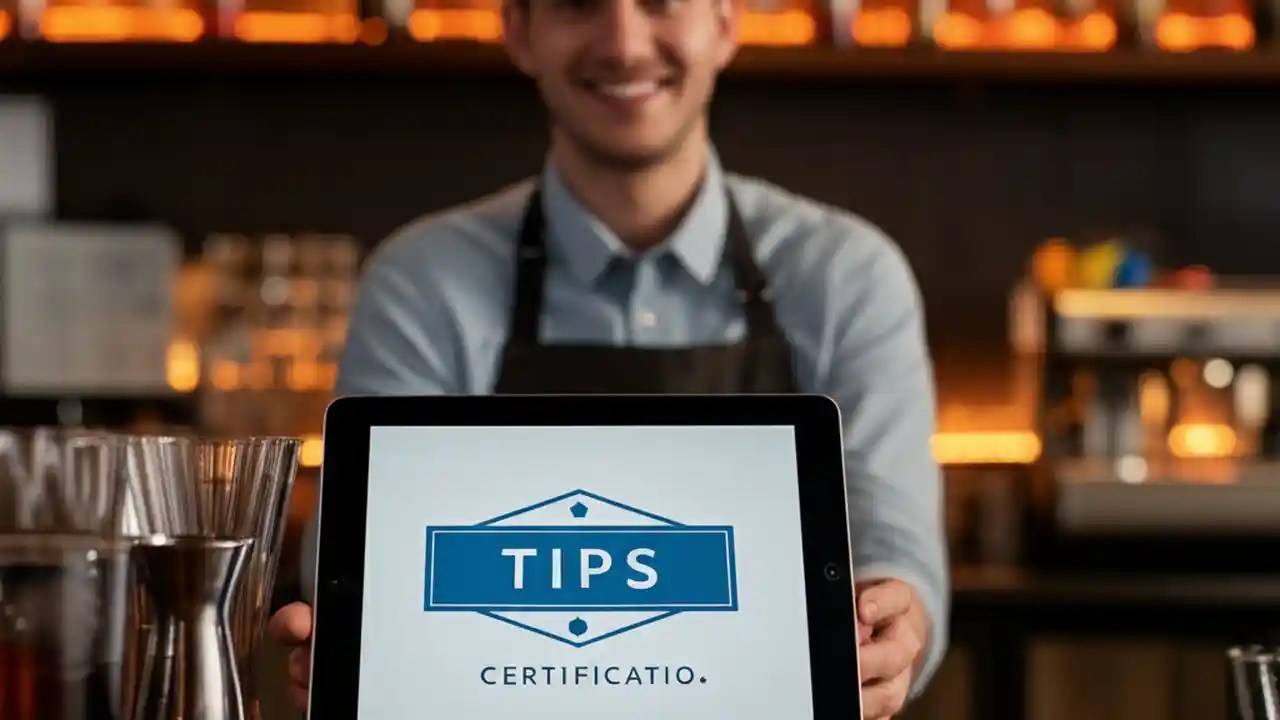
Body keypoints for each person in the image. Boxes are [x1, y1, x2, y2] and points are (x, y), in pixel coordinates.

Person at [268, 0, 950, 714]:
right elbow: (365, 565)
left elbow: (892, 547)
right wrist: (363, 644)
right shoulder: (422, 279)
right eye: (578, 4)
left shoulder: (846, 273)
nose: (624, 43)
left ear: (725, 24)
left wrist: (889, 632)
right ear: (518, 32)